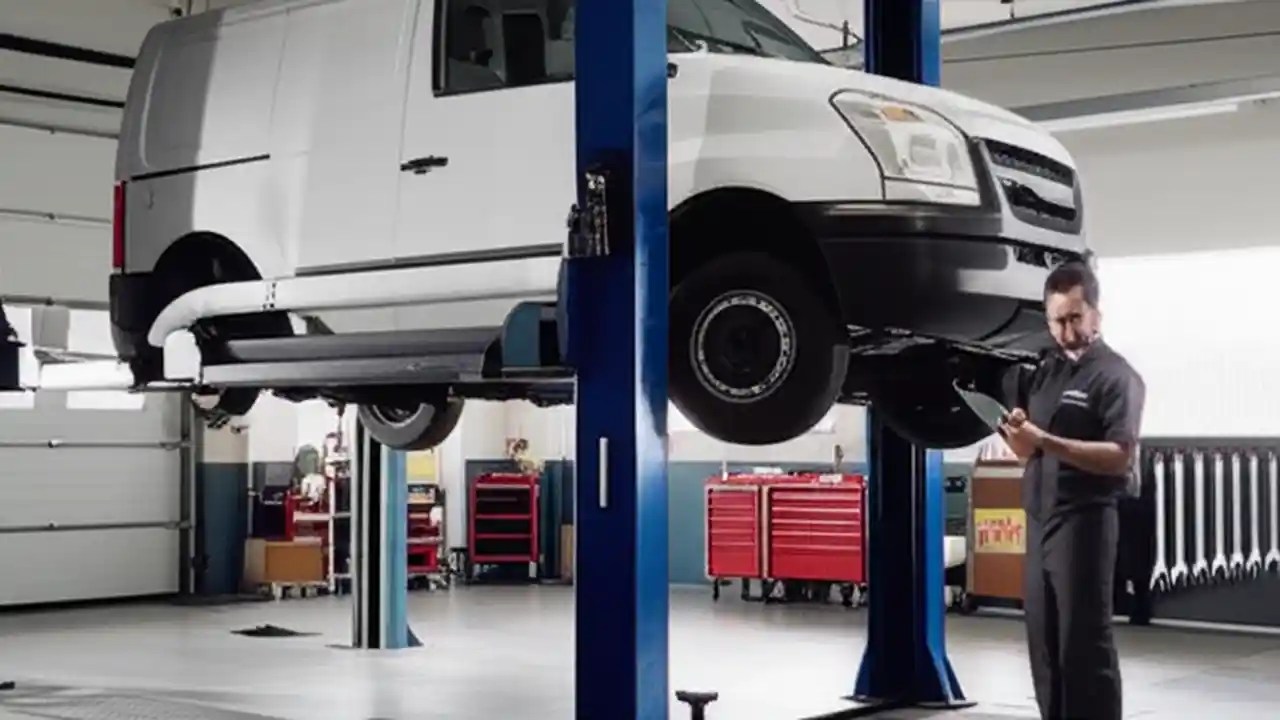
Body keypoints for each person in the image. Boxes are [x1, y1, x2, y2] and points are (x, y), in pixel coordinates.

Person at [998, 260, 1146, 720]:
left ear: (1096, 314)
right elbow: (1032, 453)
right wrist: (1020, 435)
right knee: (1043, 645)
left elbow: (1120, 455)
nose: (1065, 330)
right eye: (1057, 320)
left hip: (1085, 522)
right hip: (1039, 521)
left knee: (1082, 647)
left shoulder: (1116, 376)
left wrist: (1045, 440)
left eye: (1074, 318)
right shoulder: (1045, 374)